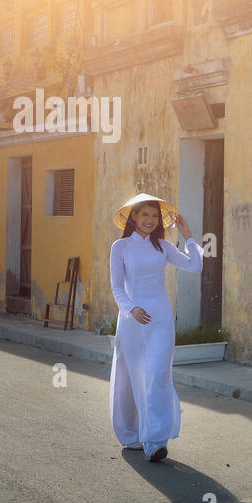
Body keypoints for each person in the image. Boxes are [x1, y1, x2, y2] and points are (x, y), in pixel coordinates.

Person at [109, 193, 203, 462]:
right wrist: (130, 308)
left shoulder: (163, 246)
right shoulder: (121, 247)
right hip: (133, 320)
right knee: (133, 377)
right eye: (144, 215)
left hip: (160, 319)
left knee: (157, 373)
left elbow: (195, 266)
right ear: (134, 218)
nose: (150, 220)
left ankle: (155, 440)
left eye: (154, 215)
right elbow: (117, 286)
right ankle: (132, 432)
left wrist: (188, 235)